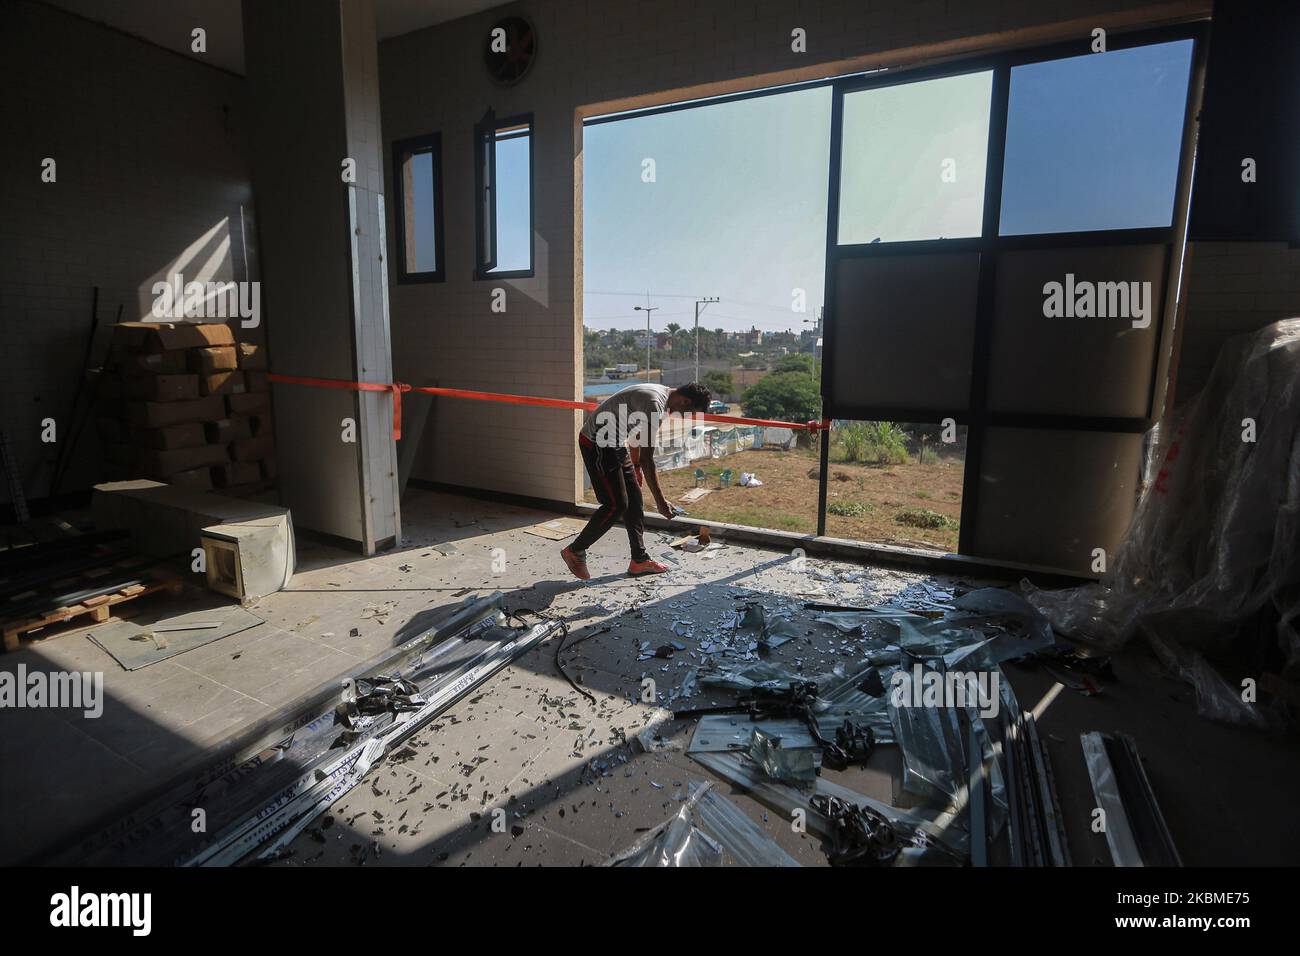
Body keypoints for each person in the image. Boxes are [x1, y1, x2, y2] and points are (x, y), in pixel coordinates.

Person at [561, 382, 711, 579]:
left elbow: (638, 434)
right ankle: (575, 550)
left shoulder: (664, 399)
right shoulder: (655, 403)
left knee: (634, 500)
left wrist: (635, 466)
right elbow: (648, 459)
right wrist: (660, 502)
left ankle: (639, 560)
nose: (686, 417)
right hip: (597, 443)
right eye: (689, 412)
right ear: (685, 400)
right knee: (615, 505)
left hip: (615, 443)